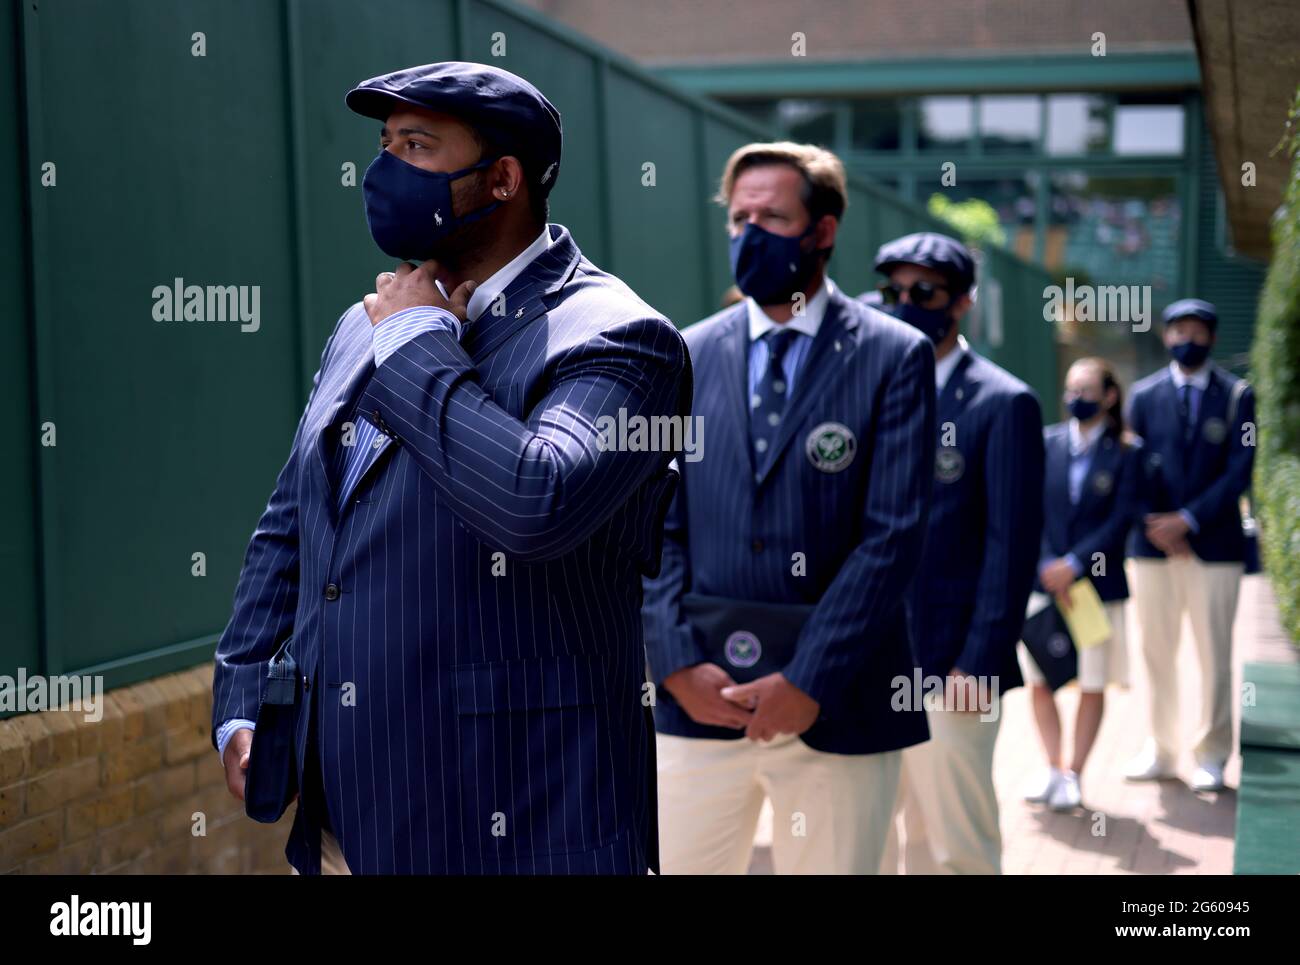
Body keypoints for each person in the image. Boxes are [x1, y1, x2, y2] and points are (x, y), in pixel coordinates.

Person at [210, 62, 691, 874]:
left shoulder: (618, 339)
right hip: (341, 823)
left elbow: (533, 503)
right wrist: (242, 698)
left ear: (502, 179)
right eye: (386, 143)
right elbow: (292, 521)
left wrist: (418, 344)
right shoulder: (365, 325)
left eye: (419, 145)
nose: (384, 169)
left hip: (516, 822)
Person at [642, 142, 935, 874]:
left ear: (823, 231)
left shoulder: (895, 356)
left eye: (772, 216)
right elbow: (655, 521)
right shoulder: (686, 351)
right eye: (738, 217)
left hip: (840, 701)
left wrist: (808, 678)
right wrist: (674, 661)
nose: (749, 232)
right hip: (698, 702)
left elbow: (891, 538)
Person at [871, 232, 1045, 875]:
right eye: (895, 291)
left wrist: (980, 659)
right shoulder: (868, 384)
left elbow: (1011, 546)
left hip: (951, 667)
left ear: (963, 302)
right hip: (864, 659)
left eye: (925, 292)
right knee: (877, 840)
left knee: (955, 846)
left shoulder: (1004, 402)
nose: (906, 302)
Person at [1124, 298, 1255, 792]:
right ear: (1166, 336)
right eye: (1178, 330)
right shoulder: (1142, 395)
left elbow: (1241, 467)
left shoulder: (1239, 396)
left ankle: (1214, 753)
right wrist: (1155, 524)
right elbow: (1129, 467)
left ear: (1212, 338)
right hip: (1151, 547)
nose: (1187, 339)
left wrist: (1189, 520)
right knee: (1156, 652)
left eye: (1197, 331)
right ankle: (1160, 748)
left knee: (1213, 653)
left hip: (1215, 546)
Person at [1022, 357, 1140, 811]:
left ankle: (1074, 773)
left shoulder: (1128, 453)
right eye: (1071, 389)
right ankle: (1051, 767)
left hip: (1095, 588)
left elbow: (1121, 519)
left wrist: (1075, 564)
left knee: (1091, 683)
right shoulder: (1046, 444)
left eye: (1087, 389)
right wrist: (1049, 565)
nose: (1077, 398)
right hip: (1045, 585)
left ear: (1109, 396)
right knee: (1039, 681)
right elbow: (1028, 511)